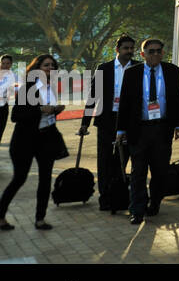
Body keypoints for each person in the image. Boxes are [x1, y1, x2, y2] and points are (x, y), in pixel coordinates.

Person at [115, 39, 179, 224]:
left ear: (163, 53)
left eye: (158, 51)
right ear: (142, 54)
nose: (155, 55)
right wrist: (120, 129)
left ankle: (154, 202)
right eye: (151, 51)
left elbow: (178, 99)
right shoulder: (132, 73)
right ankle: (136, 210)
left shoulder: (172, 71)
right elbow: (125, 103)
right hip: (139, 130)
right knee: (138, 171)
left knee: (160, 171)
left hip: (162, 129)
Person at [0, 55, 68, 231]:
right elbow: (16, 116)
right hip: (25, 140)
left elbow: (48, 114)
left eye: (53, 65)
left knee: (46, 180)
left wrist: (55, 110)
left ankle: (40, 219)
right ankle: (0, 216)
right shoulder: (28, 88)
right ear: (36, 68)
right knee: (19, 178)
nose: (49, 68)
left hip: (46, 139)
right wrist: (40, 109)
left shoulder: (51, 87)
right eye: (46, 65)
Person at [78, 36, 138, 211]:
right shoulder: (104, 69)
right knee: (104, 160)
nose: (129, 51)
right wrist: (85, 123)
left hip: (128, 122)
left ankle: (118, 195)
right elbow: (93, 97)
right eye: (126, 48)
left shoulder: (138, 68)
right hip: (106, 120)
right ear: (117, 49)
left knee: (122, 158)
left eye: (131, 48)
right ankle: (104, 197)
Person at [0, 54, 16, 145]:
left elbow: (11, 91)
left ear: (11, 64)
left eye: (8, 63)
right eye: (3, 63)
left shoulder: (12, 76)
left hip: (3, 107)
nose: (5, 65)